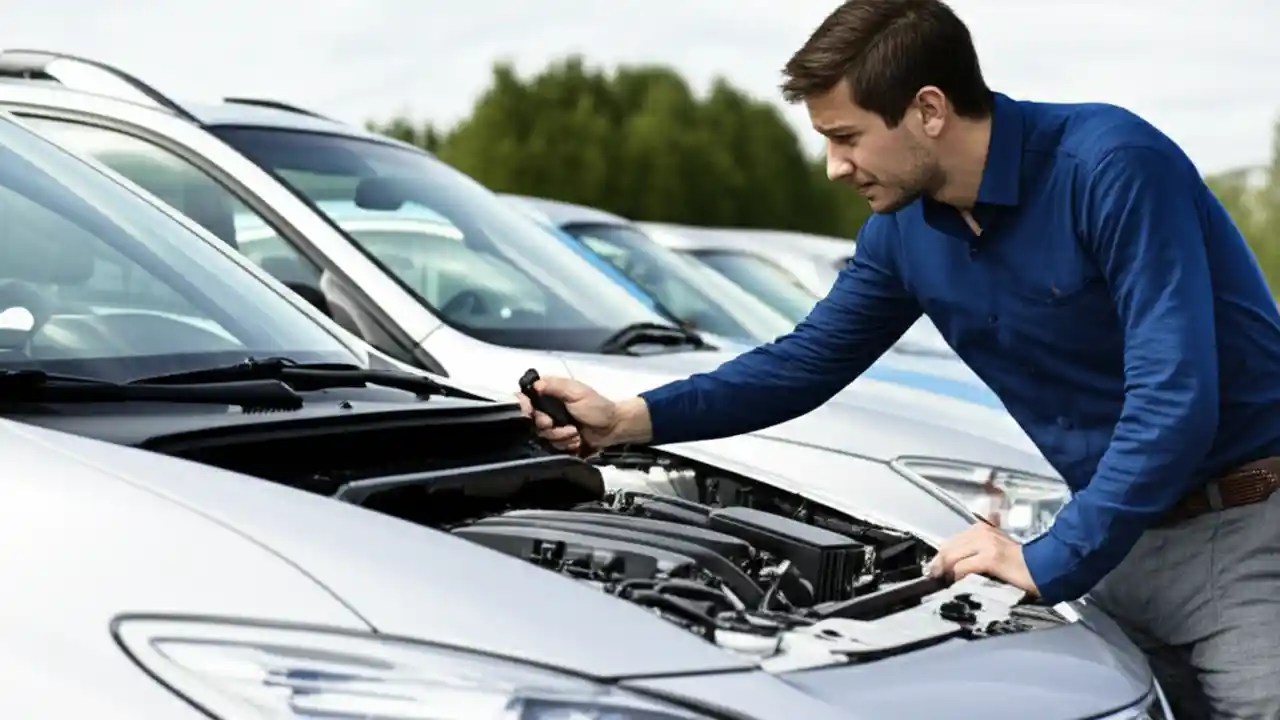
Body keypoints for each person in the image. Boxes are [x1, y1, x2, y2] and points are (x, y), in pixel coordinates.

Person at [514, 1, 1280, 717]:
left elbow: (1174, 396)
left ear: (928, 110)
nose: (833, 167)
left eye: (845, 137)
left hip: (1249, 538)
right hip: (1113, 548)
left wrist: (1053, 557)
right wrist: (625, 419)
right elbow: (805, 362)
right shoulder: (905, 230)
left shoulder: (1111, 165)